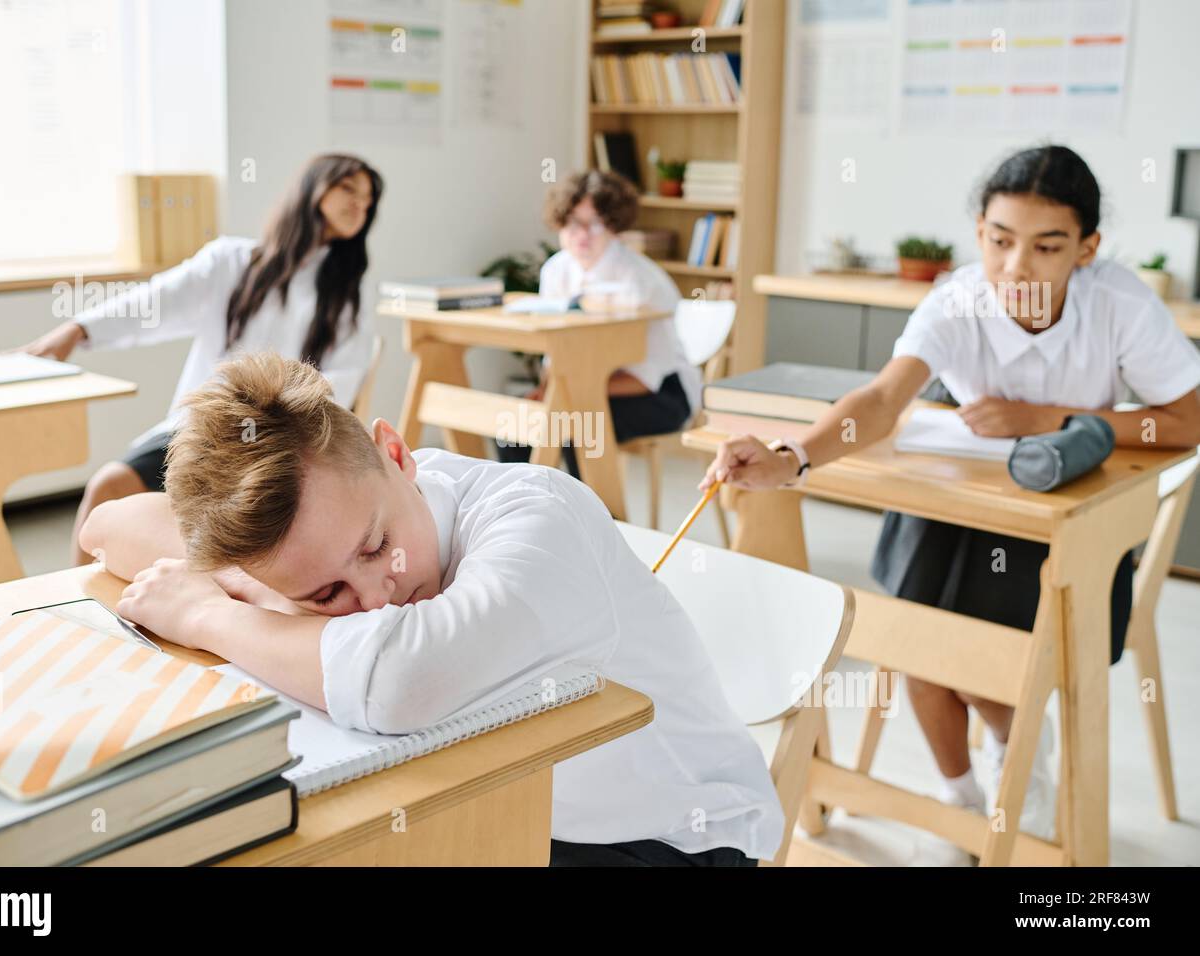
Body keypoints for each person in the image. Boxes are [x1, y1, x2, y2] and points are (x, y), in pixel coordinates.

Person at [80, 351, 781, 866]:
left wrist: (215, 613)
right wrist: (264, 594)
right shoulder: (318, 538)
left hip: (670, 838)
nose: (377, 595)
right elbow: (108, 525)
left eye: (376, 545)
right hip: (503, 794)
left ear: (396, 453)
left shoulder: (540, 517)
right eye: (324, 594)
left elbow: (401, 681)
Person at [702, 145, 1200, 839]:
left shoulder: (1119, 304)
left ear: (1087, 249)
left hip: (1061, 519)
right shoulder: (958, 299)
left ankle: (1010, 755)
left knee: (978, 659)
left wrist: (1047, 419)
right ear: (979, 234)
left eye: (1047, 246)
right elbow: (881, 400)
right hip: (961, 499)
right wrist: (792, 458)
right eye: (999, 241)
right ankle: (962, 807)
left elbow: (1185, 419)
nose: (1016, 267)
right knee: (916, 643)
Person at [18, 154, 383, 564]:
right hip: (199, 431)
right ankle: (85, 611)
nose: (359, 205)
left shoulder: (351, 296)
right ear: (313, 189)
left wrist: (282, 431)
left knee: (215, 535)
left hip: (277, 445)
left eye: (368, 200)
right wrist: (77, 330)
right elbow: (154, 301)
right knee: (108, 488)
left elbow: (338, 383)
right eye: (348, 190)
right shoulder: (230, 261)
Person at [496, 169, 700, 477]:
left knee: (578, 425)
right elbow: (556, 346)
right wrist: (548, 389)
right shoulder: (556, 271)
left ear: (614, 227)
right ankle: (520, 510)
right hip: (581, 387)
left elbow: (646, 377)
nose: (583, 234)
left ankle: (594, 516)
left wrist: (570, 393)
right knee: (512, 424)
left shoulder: (641, 281)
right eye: (575, 223)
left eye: (596, 223)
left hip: (661, 394)